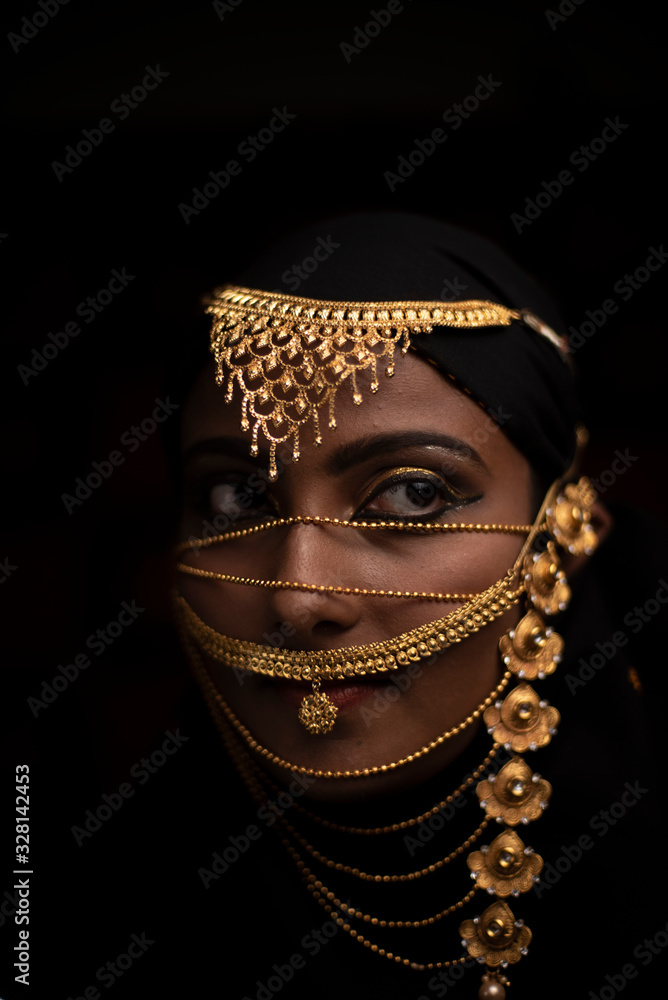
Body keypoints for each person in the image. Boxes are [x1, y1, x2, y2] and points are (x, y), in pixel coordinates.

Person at [50, 213, 667, 999]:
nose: (298, 597)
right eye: (235, 497)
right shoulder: (89, 904)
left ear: (569, 527)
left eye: (413, 494)